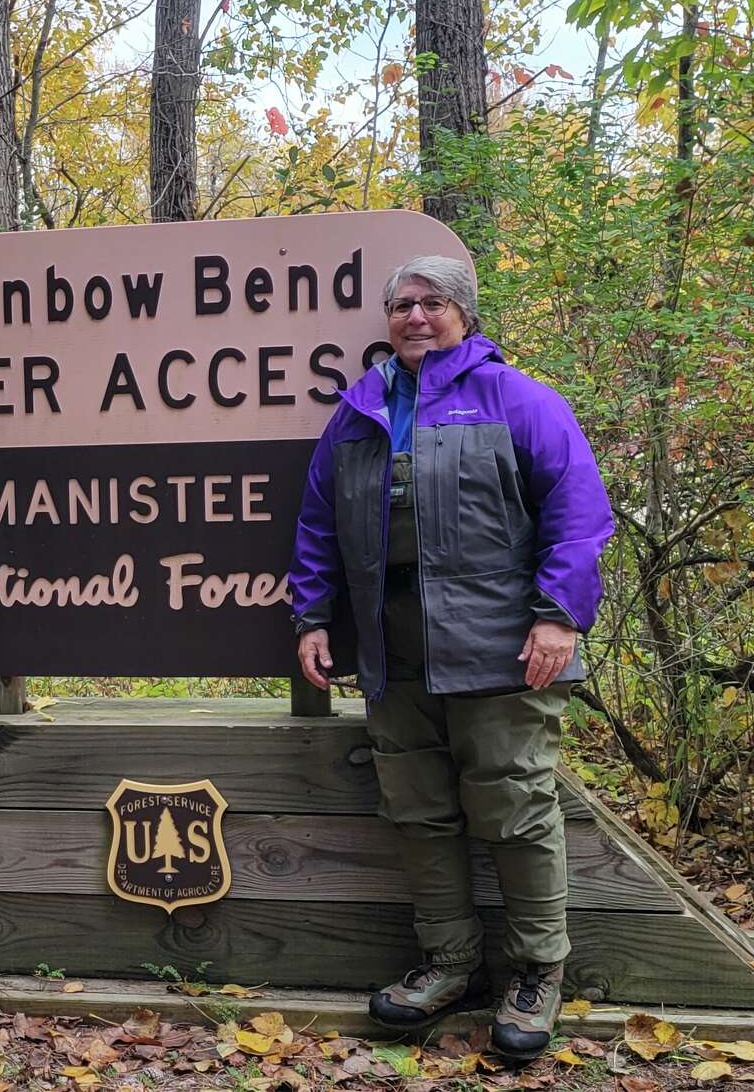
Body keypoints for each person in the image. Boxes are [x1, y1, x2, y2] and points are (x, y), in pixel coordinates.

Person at [289, 255, 612, 1060]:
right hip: (392, 651)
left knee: (516, 808)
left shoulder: (516, 399)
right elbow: (318, 522)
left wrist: (559, 616)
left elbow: (578, 512)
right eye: (402, 304)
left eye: (433, 303)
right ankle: (449, 964)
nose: (415, 317)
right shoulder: (358, 412)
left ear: (464, 313)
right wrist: (312, 616)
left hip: (502, 650)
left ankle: (536, 974)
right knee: (419, 811)